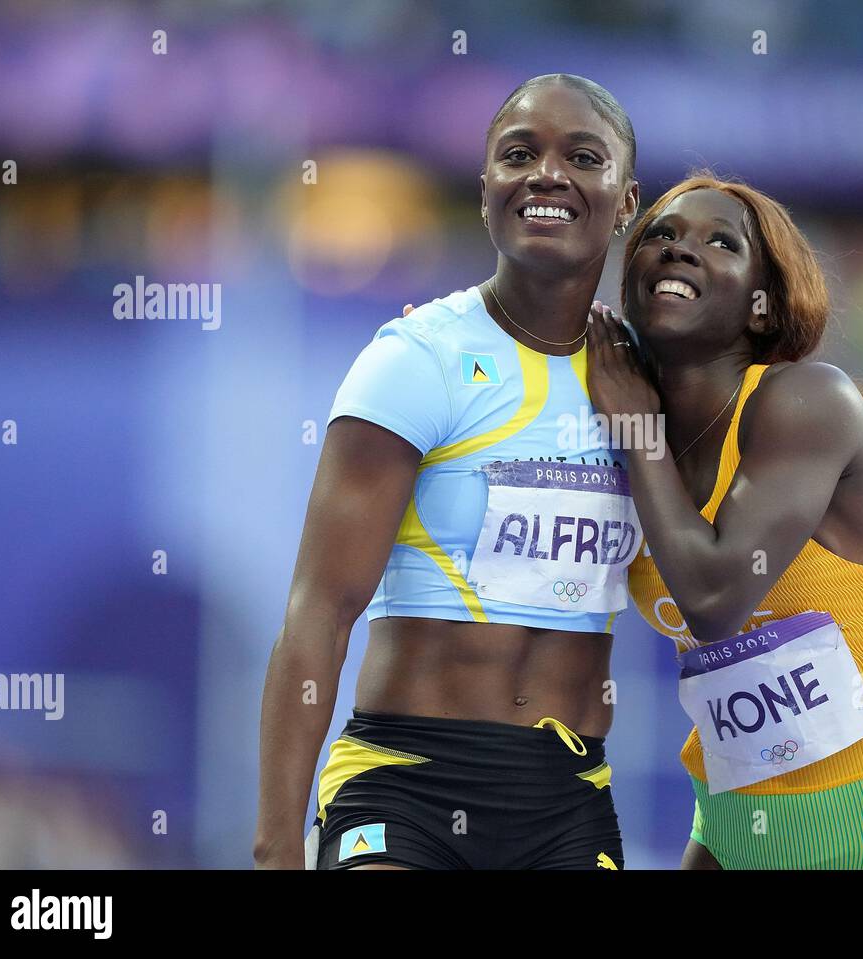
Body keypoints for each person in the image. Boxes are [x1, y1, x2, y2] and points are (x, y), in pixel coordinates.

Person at [587, 174, 863, 869]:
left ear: (764, 309)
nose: (680, 249)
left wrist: (640, 431)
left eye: (720, 242)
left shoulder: (807, 401)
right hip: (726, 836)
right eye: (661, 235)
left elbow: (712, 600)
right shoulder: (624, 431)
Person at [253, 74, 640, 870]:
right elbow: (319, 613)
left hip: (566, 802)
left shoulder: (651, 382)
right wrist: (274, 847)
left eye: (583, 156)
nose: (547, 174)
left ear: (626, 200)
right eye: (519, 154)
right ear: (487, 188)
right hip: (406, 784)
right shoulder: (415, 360)